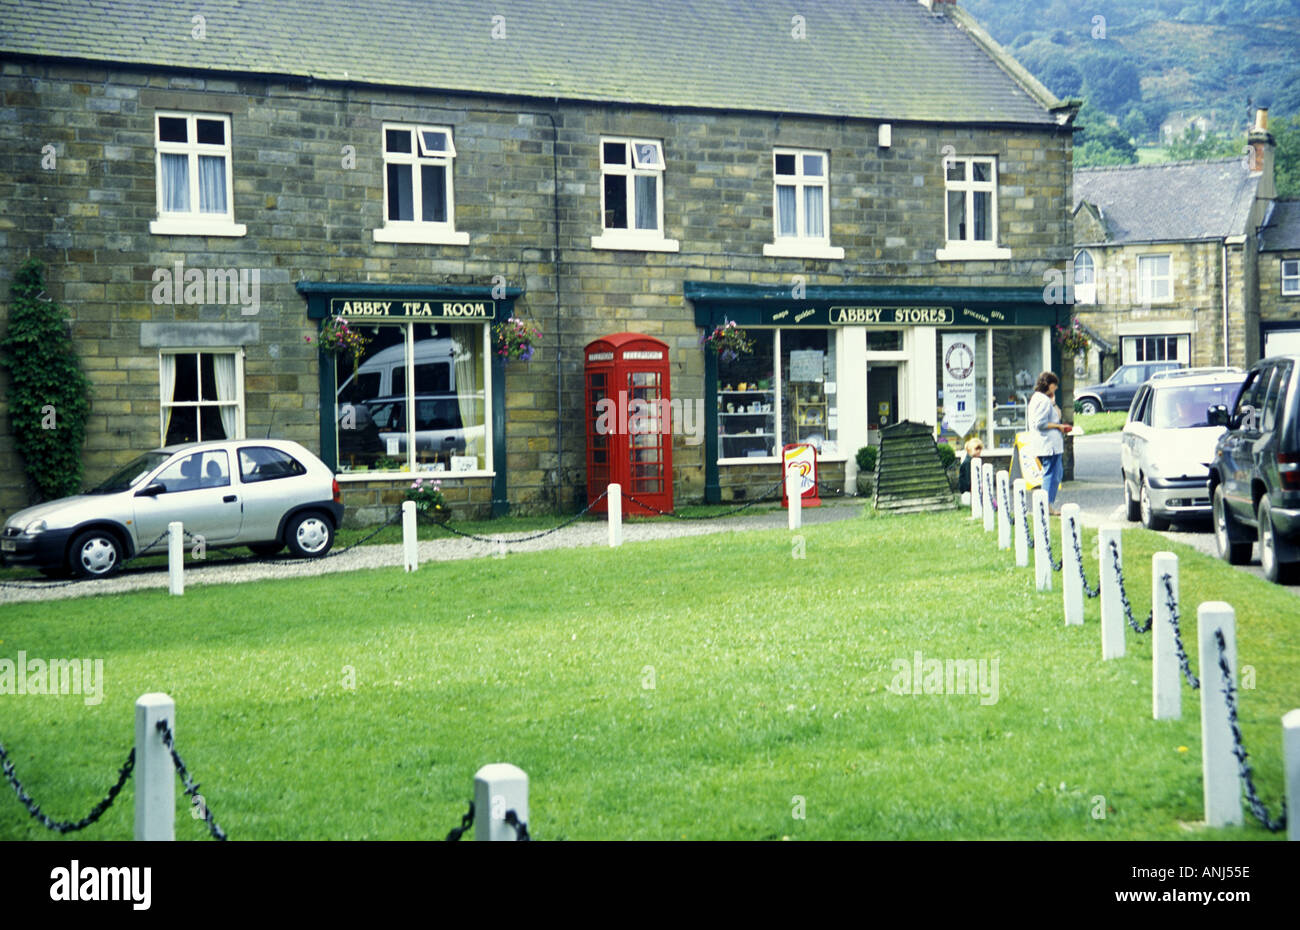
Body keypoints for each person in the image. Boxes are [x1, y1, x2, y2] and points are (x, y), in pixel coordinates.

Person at [1026, 371, 1072, 515]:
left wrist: (1053, 402)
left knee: (1056, 474)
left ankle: (1048, 504)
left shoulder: (1039, 399)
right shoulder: (1042, 400)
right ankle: (1045, 505)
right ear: (1049, 385)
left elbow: (1056, 415)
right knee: (1051, 475)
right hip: (1048, 445)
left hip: (1049, 444)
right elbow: (1040, 423)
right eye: (1054, 385)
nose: (1056, 388)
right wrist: (1058, 427)